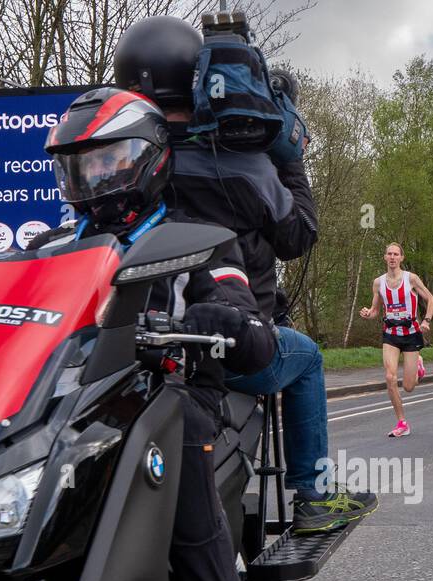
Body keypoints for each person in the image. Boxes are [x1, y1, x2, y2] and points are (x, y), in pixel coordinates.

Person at [40, 89, 274, 581]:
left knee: (178, 429)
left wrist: (222, 316)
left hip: (171, 390)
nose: (91, 177)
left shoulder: (195, 239)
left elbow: (245, 316)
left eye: (104, 160)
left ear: (146, 160)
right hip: (74, 400)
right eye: (77, 164)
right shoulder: (50, 249)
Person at [114, 16, 375, 535]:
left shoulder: (130, 161)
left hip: (136, 342)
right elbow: (297, 237)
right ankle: (313, 496)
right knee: (308, 358)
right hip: (232, 336)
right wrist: (291, 162)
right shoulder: (245, 165)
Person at [360, 242, 433, 437]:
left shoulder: (411, 279)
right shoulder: (378, 282)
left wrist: (426, 320)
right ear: (385, 257)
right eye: (389, 254)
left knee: (409, 387)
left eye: (396, 254)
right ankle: (402, 422)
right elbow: (376, 310)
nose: (392, 257)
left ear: (401, 258)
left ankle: (418, 364)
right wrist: (368, 313)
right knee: (389, 377)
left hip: (411, 334)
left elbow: (431, 299)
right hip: (391, 334)